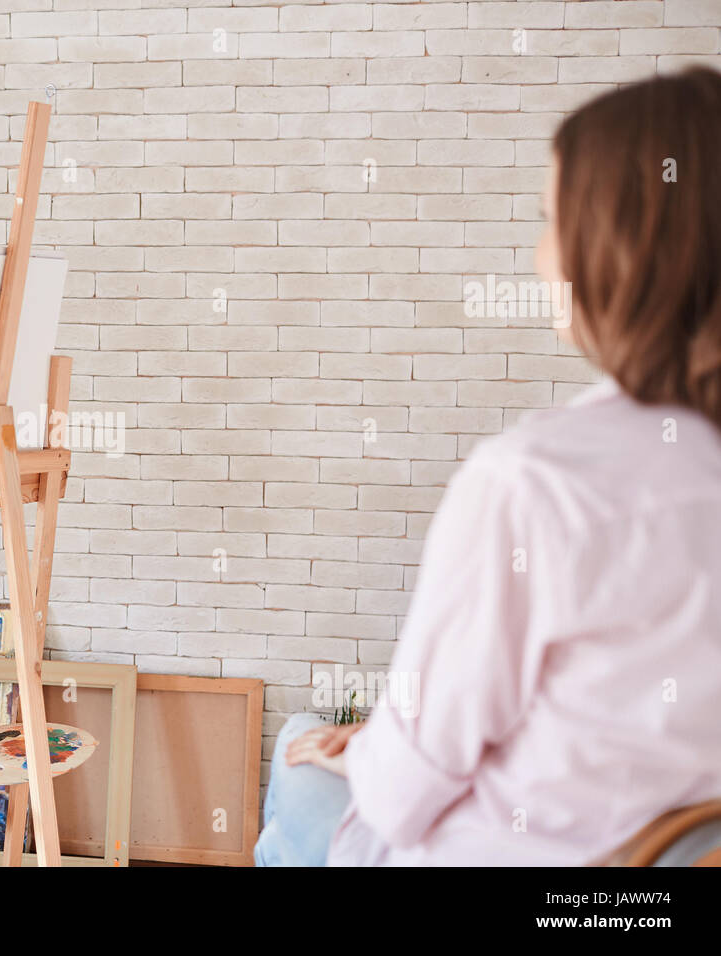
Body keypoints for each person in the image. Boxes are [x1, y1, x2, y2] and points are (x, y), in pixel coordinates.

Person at [256, 66, 721, 866]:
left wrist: (365, 750)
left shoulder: (532, 483)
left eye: (550, 221)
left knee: (298, 746)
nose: (541, 254)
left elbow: (404, 796)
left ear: (614, 250)